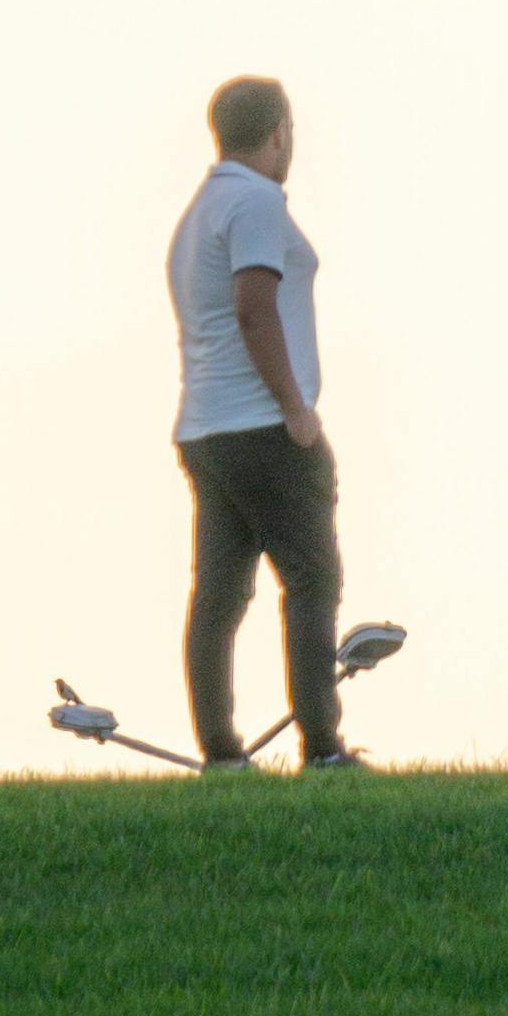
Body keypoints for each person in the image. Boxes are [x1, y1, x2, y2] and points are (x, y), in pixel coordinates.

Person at [166, 75, 359, 771]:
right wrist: (295, 409)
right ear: (277, 131)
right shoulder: (254, 202)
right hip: (262, 426)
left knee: (219, 589)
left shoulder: (200, 208)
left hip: (206, 428)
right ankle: (323, 747)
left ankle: (220, 750)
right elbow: (255, 306)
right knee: (311, 578)